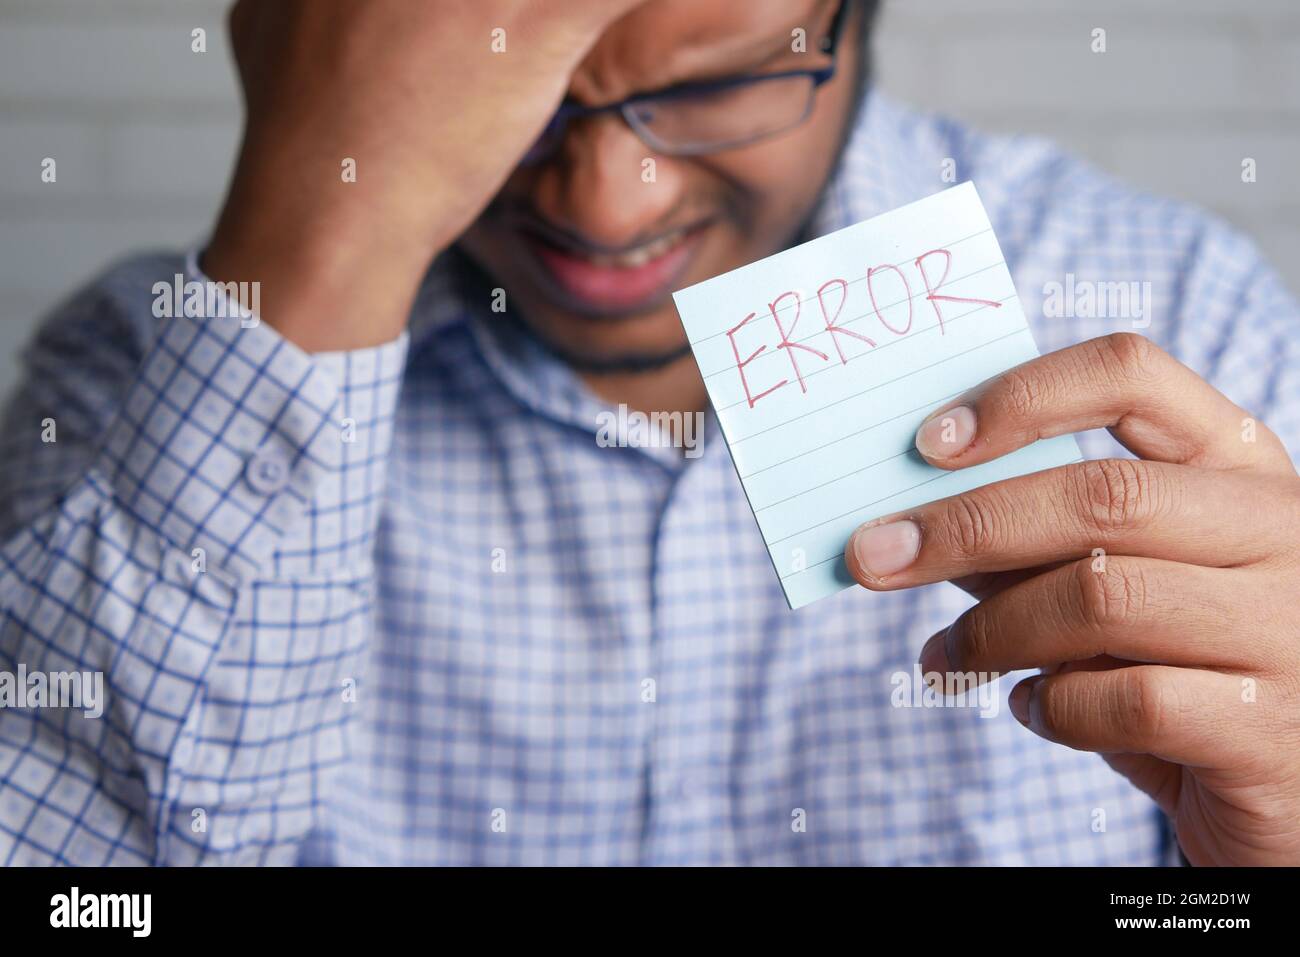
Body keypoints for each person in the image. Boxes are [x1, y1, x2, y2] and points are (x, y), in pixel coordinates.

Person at [1, 0, 1297, 866]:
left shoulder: (1185, 321)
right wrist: (320, 213)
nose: (611, 205)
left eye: (718, 85)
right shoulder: (143, 369)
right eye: (517, 102)